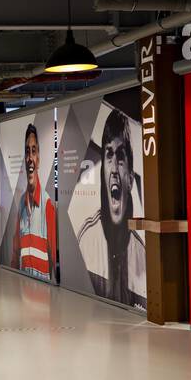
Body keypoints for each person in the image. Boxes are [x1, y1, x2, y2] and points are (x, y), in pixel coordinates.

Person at [77, 108, 146, 307]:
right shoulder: (88, 239)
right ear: (101, 174)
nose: (115, 168)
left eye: (121, 157)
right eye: (109, 155)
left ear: (131, 179)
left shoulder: (141, 254)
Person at [12, 123, 57, 281]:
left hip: (42, 296)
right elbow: (15, 254)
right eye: (27, 152)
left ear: (38, 159)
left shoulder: (47, 206)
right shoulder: (22, 206)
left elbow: (54, 262)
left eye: (33, 151)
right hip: (24, 292)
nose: (30, 158)